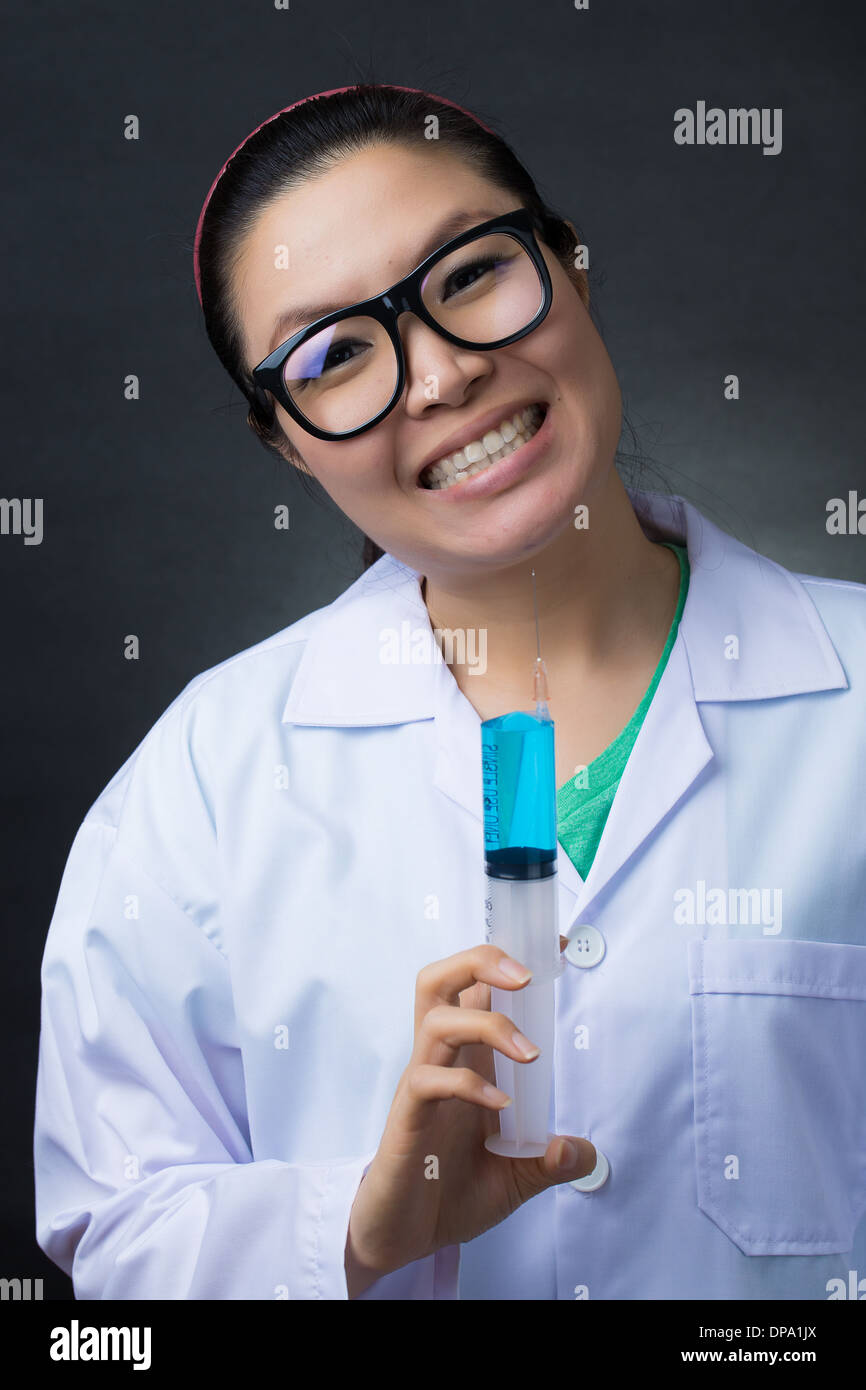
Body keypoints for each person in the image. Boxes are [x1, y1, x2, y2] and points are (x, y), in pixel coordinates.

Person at [34, 83, 866, 1301]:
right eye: (334, 356)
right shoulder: (200, 785)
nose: (435, 377)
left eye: (469, 275)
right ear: (285, 440)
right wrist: (356, 1229)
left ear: (569, 267)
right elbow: (119, 1248)